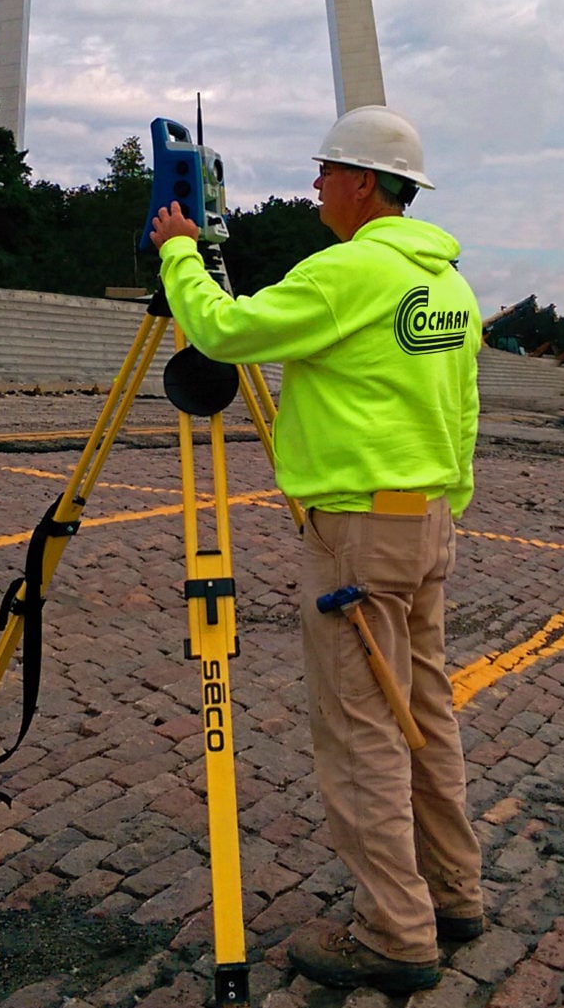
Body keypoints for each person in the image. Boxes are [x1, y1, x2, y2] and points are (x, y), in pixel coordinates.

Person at [149, 105, 484, 993]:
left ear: (365, 182)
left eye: (328, 169)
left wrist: (180, 249)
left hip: (359, 534)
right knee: (428, 715)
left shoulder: (348, 273)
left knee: (362, 732)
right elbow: (464, 407)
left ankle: (394, 931)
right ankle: (454, 892)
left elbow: (222, 332)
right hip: (427, 523)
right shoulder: (447, 282)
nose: (316, 184)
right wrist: (448, 502)